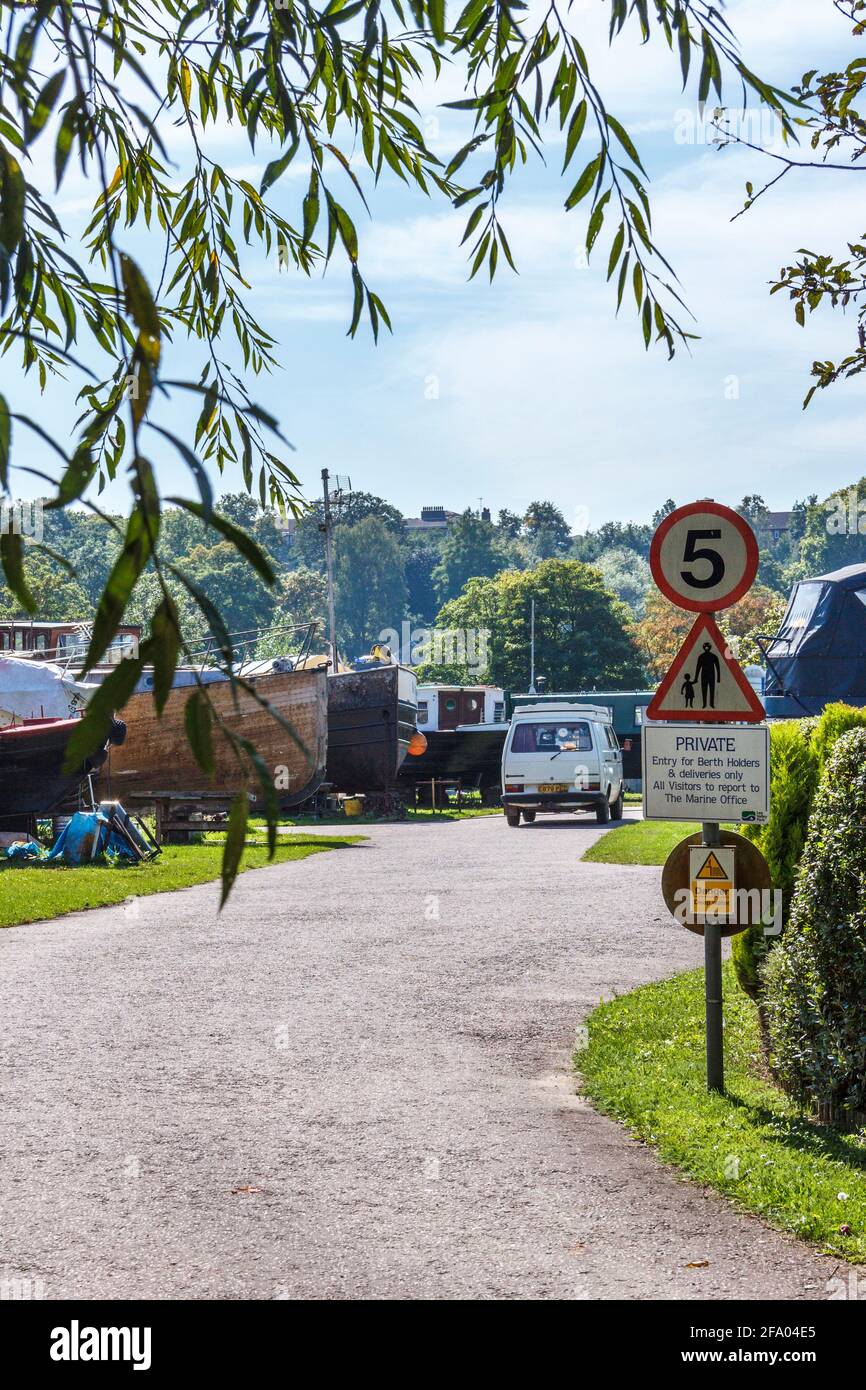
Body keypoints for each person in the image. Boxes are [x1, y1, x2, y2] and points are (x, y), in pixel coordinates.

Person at [694, 641, 721, 709]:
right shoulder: (701, 656)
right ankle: (704, 704)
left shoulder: (714, 656)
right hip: (704, 675)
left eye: (707, 647)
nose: (706, 648)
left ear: (710, 648)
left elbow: (718, 668)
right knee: (704, 690)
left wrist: (718, 678)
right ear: (704, 648)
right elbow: (698, 668)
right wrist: (696, 678)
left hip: (712, 675)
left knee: (712, 690)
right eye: (705, 647)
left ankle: (711, 704)